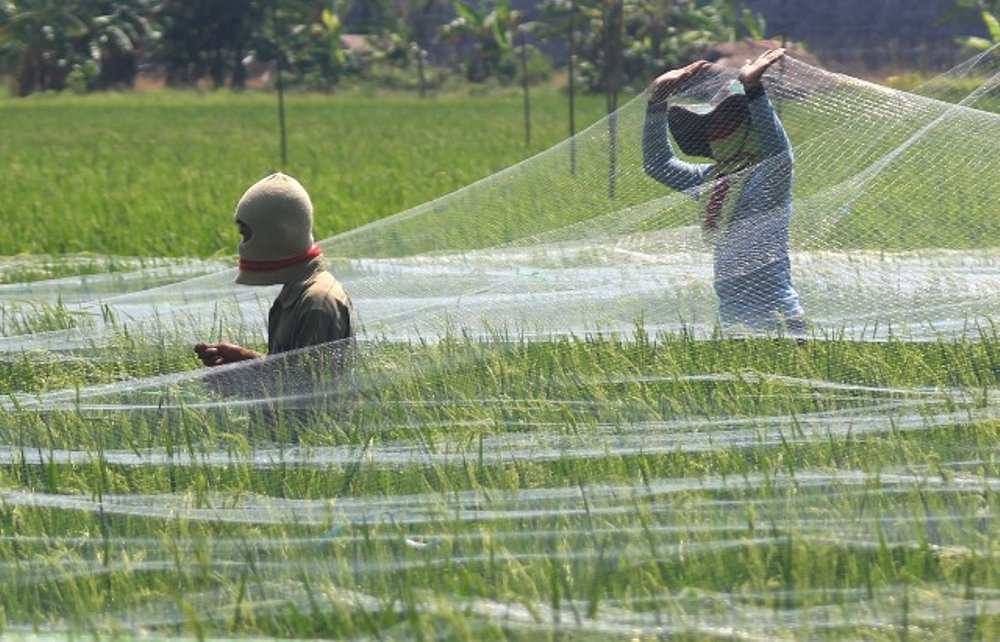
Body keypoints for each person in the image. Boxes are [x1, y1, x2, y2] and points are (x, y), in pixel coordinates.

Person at [643, 48, 805, 334]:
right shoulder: (713, 180)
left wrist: (754, 90)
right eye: (711, 125)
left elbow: (780, 155)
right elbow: (658, 164)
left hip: (780, 321)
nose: (716, 132)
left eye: (725, 123)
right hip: (734, 322)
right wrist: (657, 102)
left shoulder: (767, 180)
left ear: (748, 127)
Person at [194, 172, 354, 367]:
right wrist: (246, 360)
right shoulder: (296, 292)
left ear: (277, 234)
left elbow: (314, 391)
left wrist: (244, 381)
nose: (242, 246)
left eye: (246, 235)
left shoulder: (316, 304)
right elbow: (291, 373)